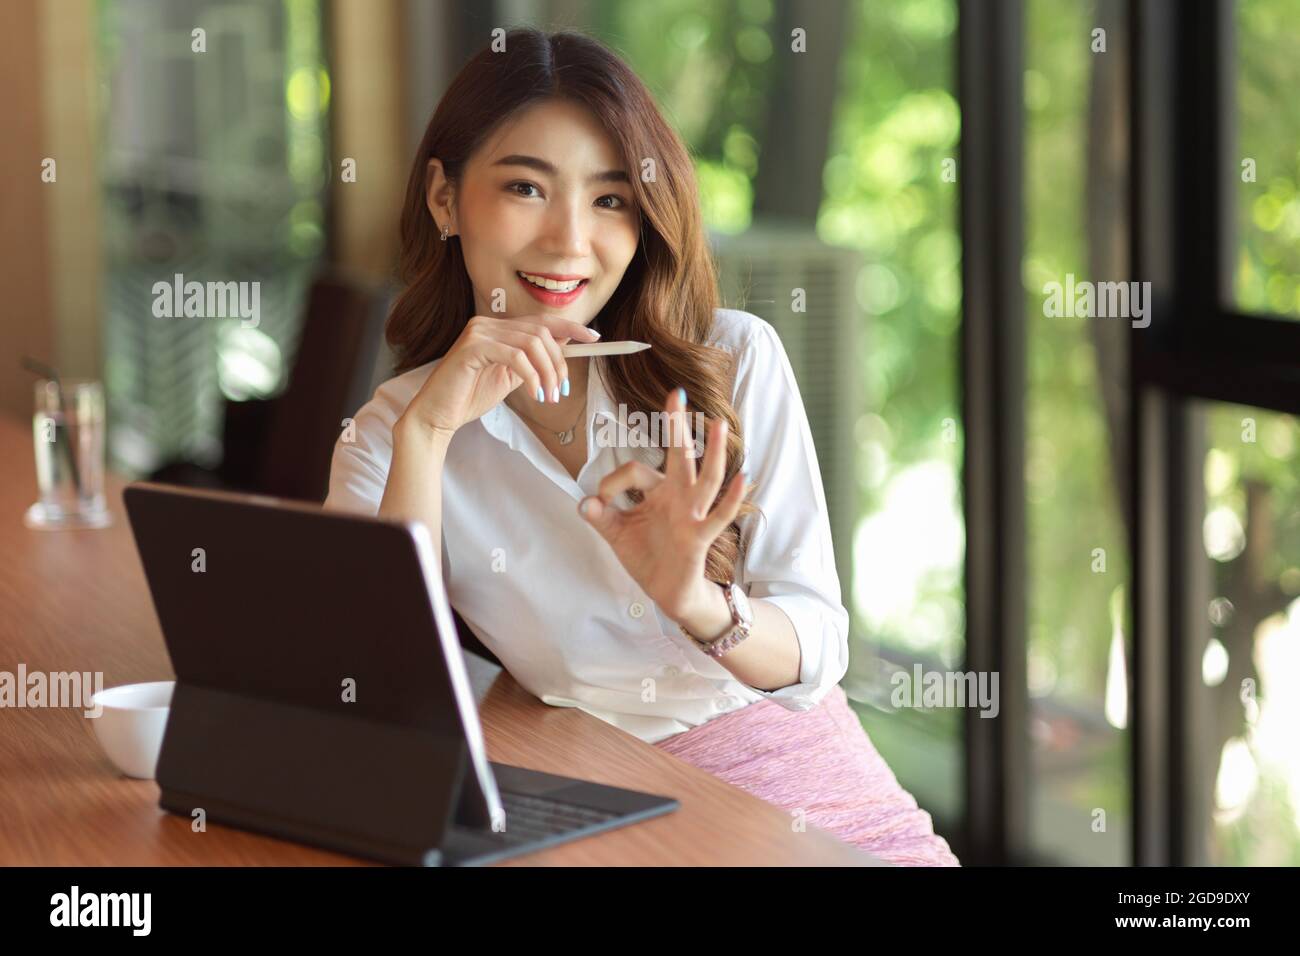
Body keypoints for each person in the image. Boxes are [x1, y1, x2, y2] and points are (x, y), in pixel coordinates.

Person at [325, 27, 957, 867]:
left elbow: (816, 650)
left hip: (795, 792)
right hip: (584, 797)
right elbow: (369, 695)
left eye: (611, 200)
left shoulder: (730, 361)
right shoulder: (394, 431)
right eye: (525, 187)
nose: (569, 241)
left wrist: (697, 602)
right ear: (444, 198)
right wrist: (431, 435)